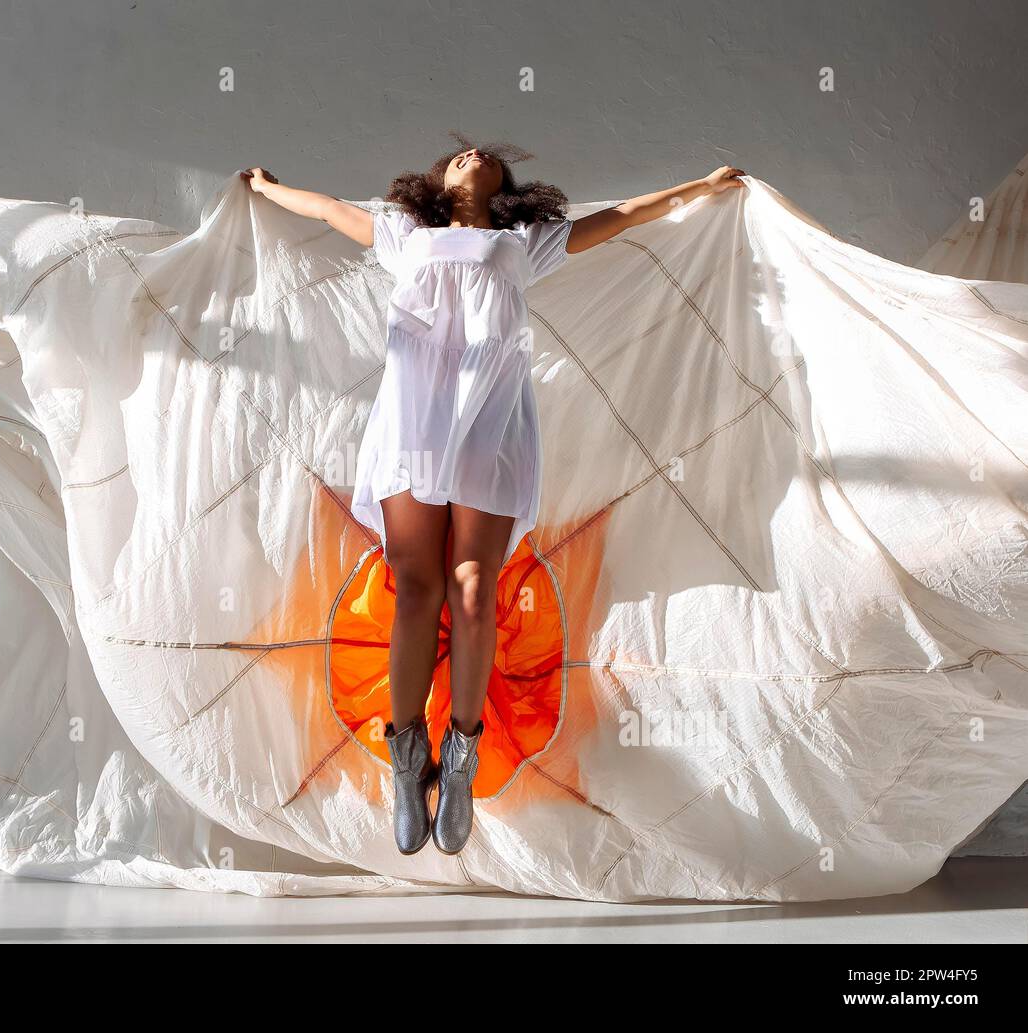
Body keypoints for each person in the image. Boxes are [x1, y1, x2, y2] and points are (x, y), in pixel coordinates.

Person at [241, 135, 746, 856]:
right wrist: (266, 188)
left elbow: (626, 216)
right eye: (456, 155)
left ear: (505, 182)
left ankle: (462, 754)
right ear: (437, 183)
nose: (471, 153)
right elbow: (325, 210)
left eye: (484, 154)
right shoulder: (403, 232)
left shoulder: (524, 241)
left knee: (474, 589)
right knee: (415, 587)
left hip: (490, 420)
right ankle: (407, 755)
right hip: (414, 418)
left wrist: (697, 186)